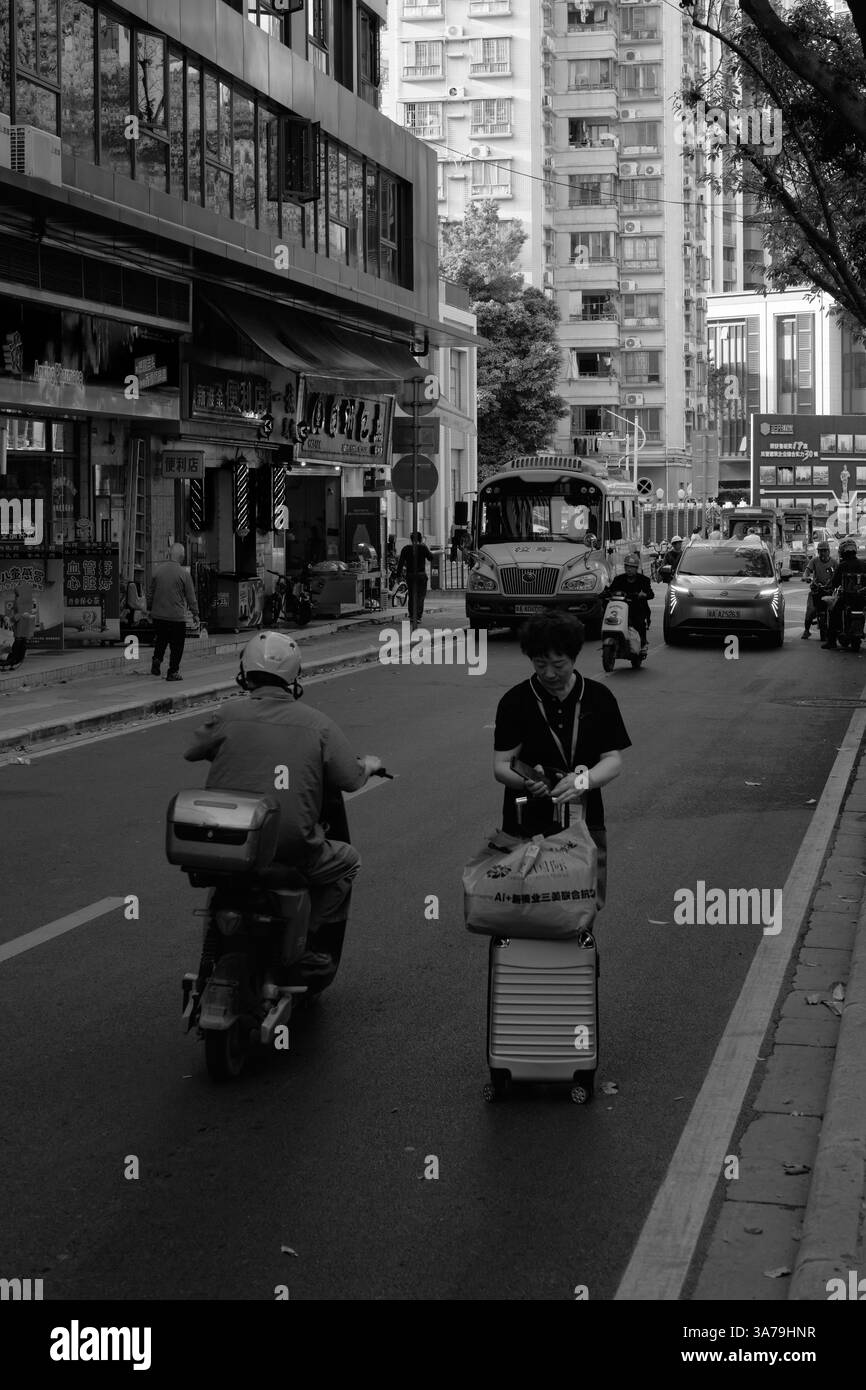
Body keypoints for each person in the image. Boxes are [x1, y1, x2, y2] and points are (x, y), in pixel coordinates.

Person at [184, 630, 383, 985]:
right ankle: (311, 943)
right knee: (349, 861)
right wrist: (368, 763)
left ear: (244, 672)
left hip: (228, 843)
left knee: (224, 880)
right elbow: (350, 779)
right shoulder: (318, 724)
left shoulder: (227, 714)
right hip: (291, 850)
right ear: (295, 676)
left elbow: (192, 750)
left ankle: (211, 953)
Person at [492, 612, 631, 914]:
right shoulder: (515, 701)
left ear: (574, 657)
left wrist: (582, 781)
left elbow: (613, 761)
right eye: (540, 664)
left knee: (580, 911)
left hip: (584, 823)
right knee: (525, 911)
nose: (549, 673)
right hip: (525, 824)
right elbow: (501, 766)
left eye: (558, 664)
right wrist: (527, 782)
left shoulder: (598, 698)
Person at [148, 543, 200, 681]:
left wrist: (149, 608)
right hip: (176, 617)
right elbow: (191, 597)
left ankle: (157, 659)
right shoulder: (184, 574)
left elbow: (150, 593)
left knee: (161, 639)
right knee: (177, 645)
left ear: (169, 554)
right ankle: (172, 672)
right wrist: (195, 614)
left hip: (158, 615)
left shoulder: (157, 571)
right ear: (182, 557)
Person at [822, 538, 866, 650]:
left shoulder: (842, 565)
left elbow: (835, 582)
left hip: (847, 598)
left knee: (833, 611)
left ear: (842, 552)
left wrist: (831, 587)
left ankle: (831, 641)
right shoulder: (863, 564)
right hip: (862, 599)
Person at [605, 554, 654, 653]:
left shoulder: (644, 580)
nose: (629, 569)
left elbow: (651, 594)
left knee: (639, 622)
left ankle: (643, 643)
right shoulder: (618, 579)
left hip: (637, 608)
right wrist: (604, 594)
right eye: (627, 566)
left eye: (632, 567)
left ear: (636, 568)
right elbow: (610, 590)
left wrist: (644, 595)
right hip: (620, 608)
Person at [397, 530, 434, 626]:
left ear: (411, 539)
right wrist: (425, 547)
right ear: (420, 539)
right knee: (420, 596)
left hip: (410, 575)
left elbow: (400, 563)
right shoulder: (423, 547)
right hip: (421, 575)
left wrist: (398, 575)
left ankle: (412, 615)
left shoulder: (405, 548)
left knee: (412, 595)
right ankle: (418, 616)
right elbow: (431, 557)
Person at [802, 542, 835, 639]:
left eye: (824, 551)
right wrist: (805, 577)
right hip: (816, 589)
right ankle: (807, 630)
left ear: (828, 551)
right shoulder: (814, 561)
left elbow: (838, 574)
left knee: (835, 611)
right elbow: (807, 571)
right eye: (820, 551)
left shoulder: (834, 562)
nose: (823, 553)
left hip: (829, 590)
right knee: (810, 611)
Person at [0, 582, 35, 671]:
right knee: (22, 641)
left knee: (18, 640)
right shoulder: (28, 599)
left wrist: (11, 620)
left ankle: (12, 660)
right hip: (25, 624)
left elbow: (20, 613)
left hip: (20, 624)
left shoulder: (20, 600)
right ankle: (15, 660)